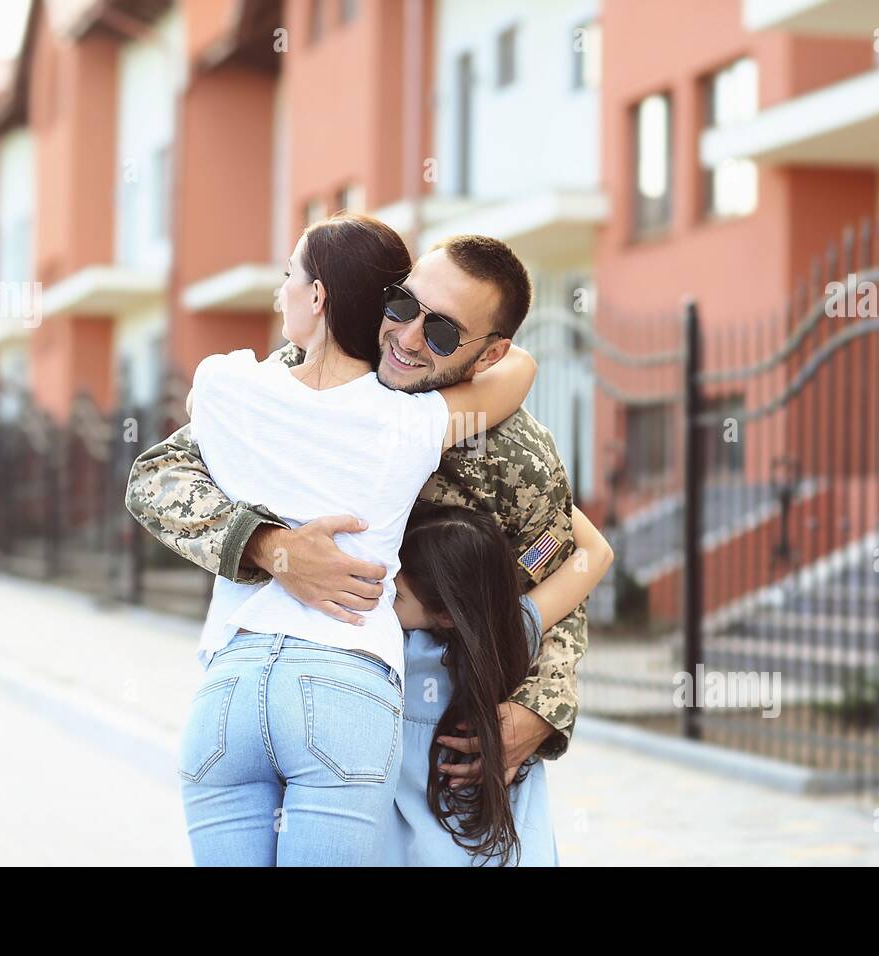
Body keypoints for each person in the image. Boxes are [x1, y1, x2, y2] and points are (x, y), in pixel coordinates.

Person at [126, 230, 589, 863]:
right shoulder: (303, 374)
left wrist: (538, 710)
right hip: (336, 711)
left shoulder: (514, 455)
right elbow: (161, 477)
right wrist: (270, 547)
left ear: (491, 354)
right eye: (400, 306)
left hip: (446, 745)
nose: (406, 337)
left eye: (444, 334)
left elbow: (561, 574)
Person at [384, 501, 612, 866]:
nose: (384, 599)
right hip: (509, 850)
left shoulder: (395, 649)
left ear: (445, 613)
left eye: (397, 596)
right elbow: (597, 553)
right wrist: (547, 488)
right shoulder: (512, 632)